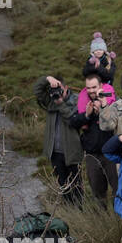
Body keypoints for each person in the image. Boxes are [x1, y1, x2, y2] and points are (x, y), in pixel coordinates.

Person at [34, 73, 83, 204]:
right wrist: (47, 79)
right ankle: (68, 209)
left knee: (76, 184)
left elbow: (73, 120)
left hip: (72, 151)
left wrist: (61, 104)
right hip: (54, 152)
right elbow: (37, 90)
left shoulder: (77, 100)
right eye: (54, 89)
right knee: (62, 184)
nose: (57, 92)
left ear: (66, 88)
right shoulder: (50, 102)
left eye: (59, 88)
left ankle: (80, 210)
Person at [73, 67, 118, 207]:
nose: (91, 91)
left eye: (94, 87)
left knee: (118, 189)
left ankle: (121, 218)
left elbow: (116, 122)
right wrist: (87, 115)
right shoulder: (83, 103)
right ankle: (102, 220)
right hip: (92, 155)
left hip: (111, 154)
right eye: (88, 88)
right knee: (98, 193)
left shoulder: (112, 101)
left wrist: (103, 109)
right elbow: (73, 122)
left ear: (100, 86)